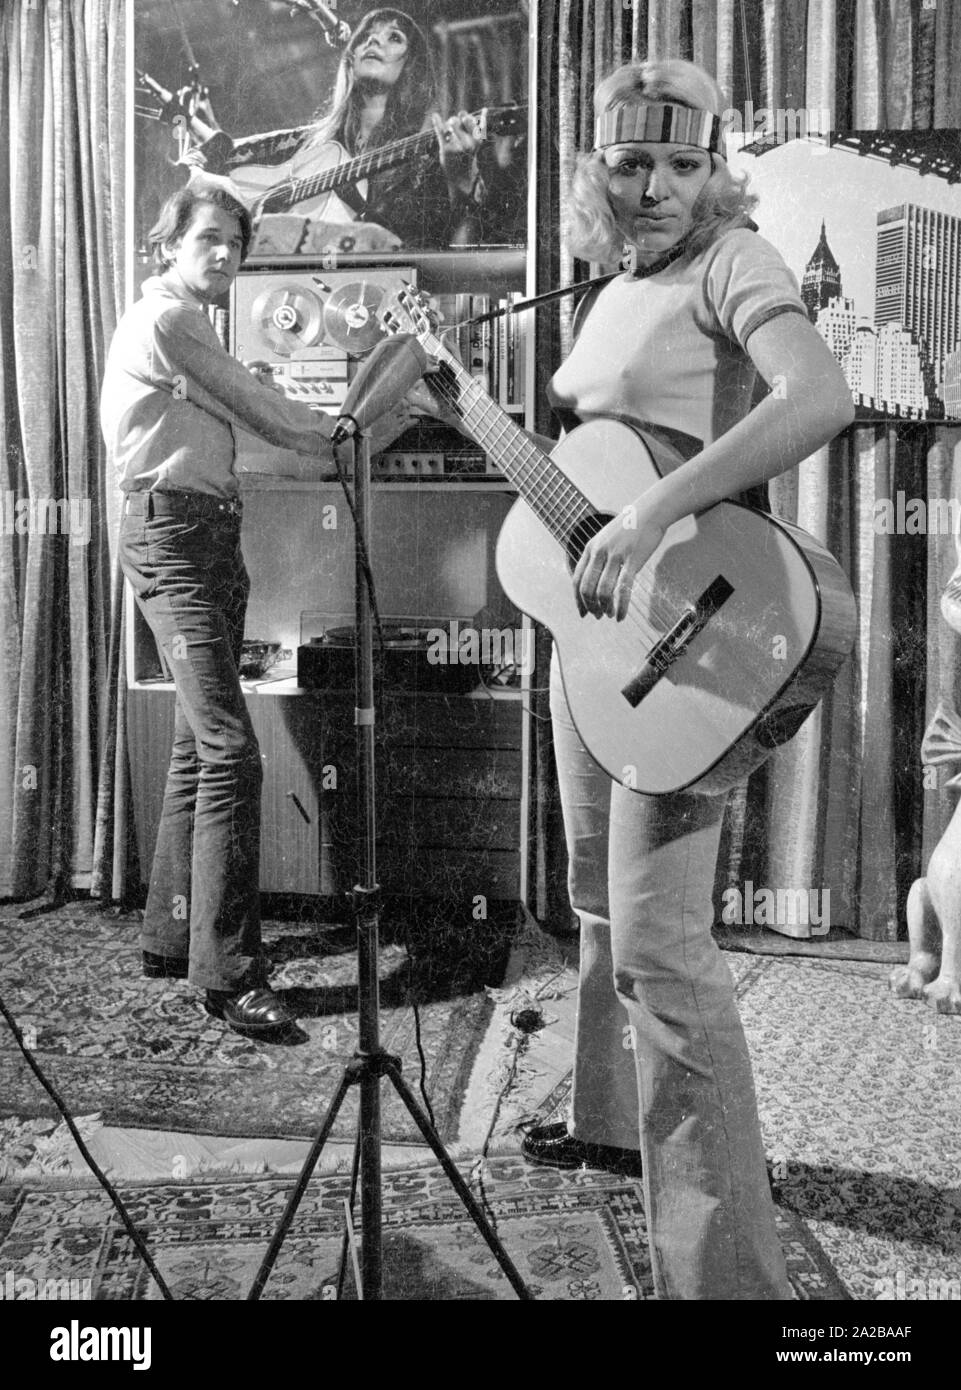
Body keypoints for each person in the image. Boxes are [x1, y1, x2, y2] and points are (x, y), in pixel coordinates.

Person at [427, 58, 854, 1299]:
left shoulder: (736, 263)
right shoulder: (615, 284)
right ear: (594, 172)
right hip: (597, 644)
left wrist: (654, 510)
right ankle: (611, 1122)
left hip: (689, 642)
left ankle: (728, 1287)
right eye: (630, 161)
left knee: (664, 949)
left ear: (717, 165)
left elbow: (815, 395)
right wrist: (473, 417)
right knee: (601, 913)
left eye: (681, 161)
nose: (657, 184)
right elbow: (586, 462)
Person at [101, 184, 414, 1039]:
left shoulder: (189, 330)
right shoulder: (169, 322)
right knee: (230, 752)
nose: (224, 257)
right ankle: (230, 973)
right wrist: (360, 420)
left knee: (198, 746)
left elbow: (250, 408)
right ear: (167, 244)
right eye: (207, 240)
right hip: (171, 534)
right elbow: (268, 415)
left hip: (205, 531)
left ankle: (174, 933)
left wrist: (340, 419)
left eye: (234, 245)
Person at [190, 7, 510, 253]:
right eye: (365, 36)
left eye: (393, 37)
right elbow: (225, 157)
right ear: (351, 56)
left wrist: (460, 179)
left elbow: (459, 252)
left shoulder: (426, 158)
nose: (373, 40)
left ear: (409, 66)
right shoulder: (305, 142)